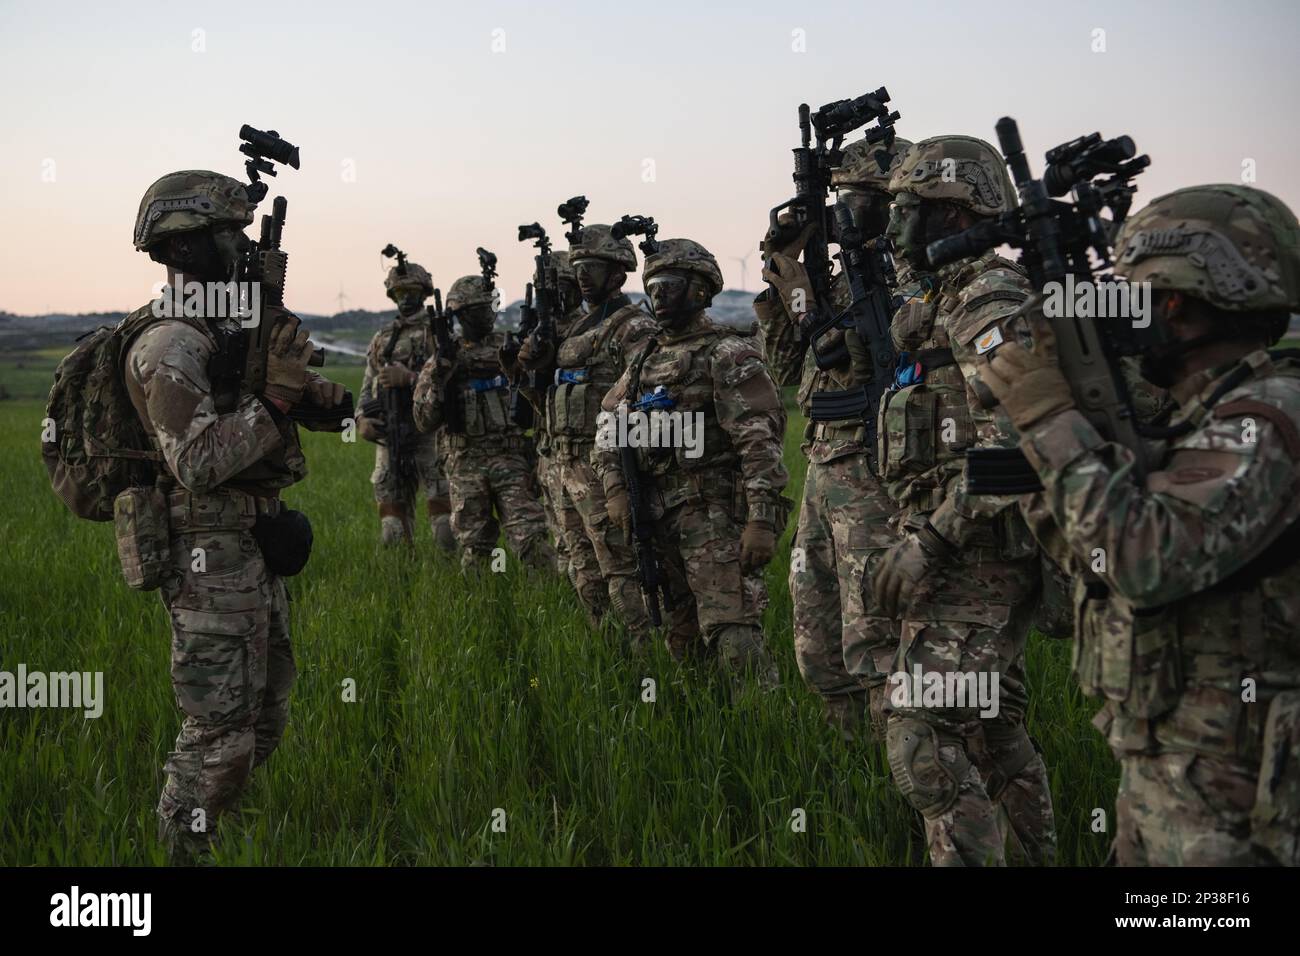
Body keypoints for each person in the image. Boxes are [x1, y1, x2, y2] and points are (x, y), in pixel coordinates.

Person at [983, 184, 1300, 866]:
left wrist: (1050, 421)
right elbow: (1092, 554)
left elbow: (1144, 561)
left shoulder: (1269, 419)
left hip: (1243, 819)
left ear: (1177, 303)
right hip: (1175, 789)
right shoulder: (1202, 422)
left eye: (1137, 300)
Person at [127, 169, 346, 860]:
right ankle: (178, 853)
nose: (247, 250)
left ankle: (208, 829)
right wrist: (277, 402)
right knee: (219, 728)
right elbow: (195, 462)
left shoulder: (231, 331)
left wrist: (316, 394)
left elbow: (287, 400)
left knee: (267, 711)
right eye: (233, 235)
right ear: (188, 247)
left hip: (250, 541)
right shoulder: (171, 344)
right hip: (204, 550)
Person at [868, 136, 1057, 866]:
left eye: (906, 211)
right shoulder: (935, 303)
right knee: (991, 727)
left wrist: (933, 540)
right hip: (961, 554)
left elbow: (1019, 438)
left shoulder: (988, 298)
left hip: (979, 557)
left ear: (956, 212)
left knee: (920, 737)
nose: (893, 230)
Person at [757, 134, 912, 739]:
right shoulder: (839, 283)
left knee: (874, 635)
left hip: (877, 476)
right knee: (816, 634)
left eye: (863, 197)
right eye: (843, 196)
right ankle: (850, 759)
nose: (848, 208)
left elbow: (873, 363)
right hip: (825, 474)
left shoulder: (905, 279)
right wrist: (783, 292)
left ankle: (902, 761)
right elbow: (789, 371)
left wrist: (804, 300)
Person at [597, 238, 788, 686]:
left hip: (713, 514)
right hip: (655, 517)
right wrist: (615, 489)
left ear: (701, 291)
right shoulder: (643, 359)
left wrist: (761, 519)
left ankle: (762, 728)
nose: (660, 297)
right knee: (681, 637)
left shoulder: (727, 353)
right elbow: (609, 429)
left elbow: (759, 442)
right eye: (654, 287)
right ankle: (706, 725)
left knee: (733, 633)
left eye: (672, 286)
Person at [412, 271, 553, 571]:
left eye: (490, 308)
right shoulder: (443, 359)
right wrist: (440, 377)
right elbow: (424, 420)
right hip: (465, 461)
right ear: (460, 315)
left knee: (532, 538)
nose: (486, 316)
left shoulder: (510, 349)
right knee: (475, 547)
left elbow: (539, 403)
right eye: (477, 311)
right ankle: (484, 607)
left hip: (511, 458)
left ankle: (547, 602)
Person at [357, 255, 454, 550]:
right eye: (400, 293)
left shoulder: (439, 332)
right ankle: (401, 581)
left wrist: (410, 379)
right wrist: (361, 418)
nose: (405, 299)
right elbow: (367, 385)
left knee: (444, 525)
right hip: (390, 435)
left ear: (423, 293)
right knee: (391, 526)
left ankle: (455, 585)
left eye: (412, 293)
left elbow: (451, 382)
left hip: (430, 434)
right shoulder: (382, 337)